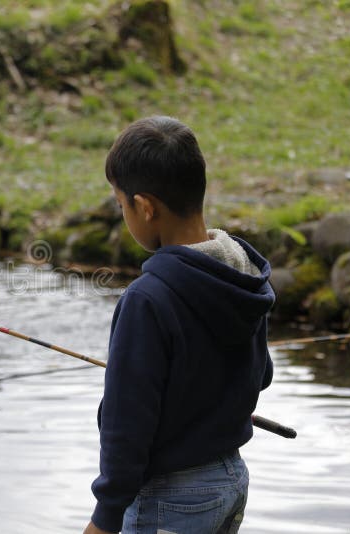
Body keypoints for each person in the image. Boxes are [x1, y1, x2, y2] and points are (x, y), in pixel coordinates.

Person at [84, 116, 275, 534]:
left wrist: (105, 516)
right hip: (231, 481)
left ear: (146, 207)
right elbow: (261, 375)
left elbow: (126, 425)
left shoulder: (146, 299)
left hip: (172, 500)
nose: (124, 214)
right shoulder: (241, 271)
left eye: (122, 205)